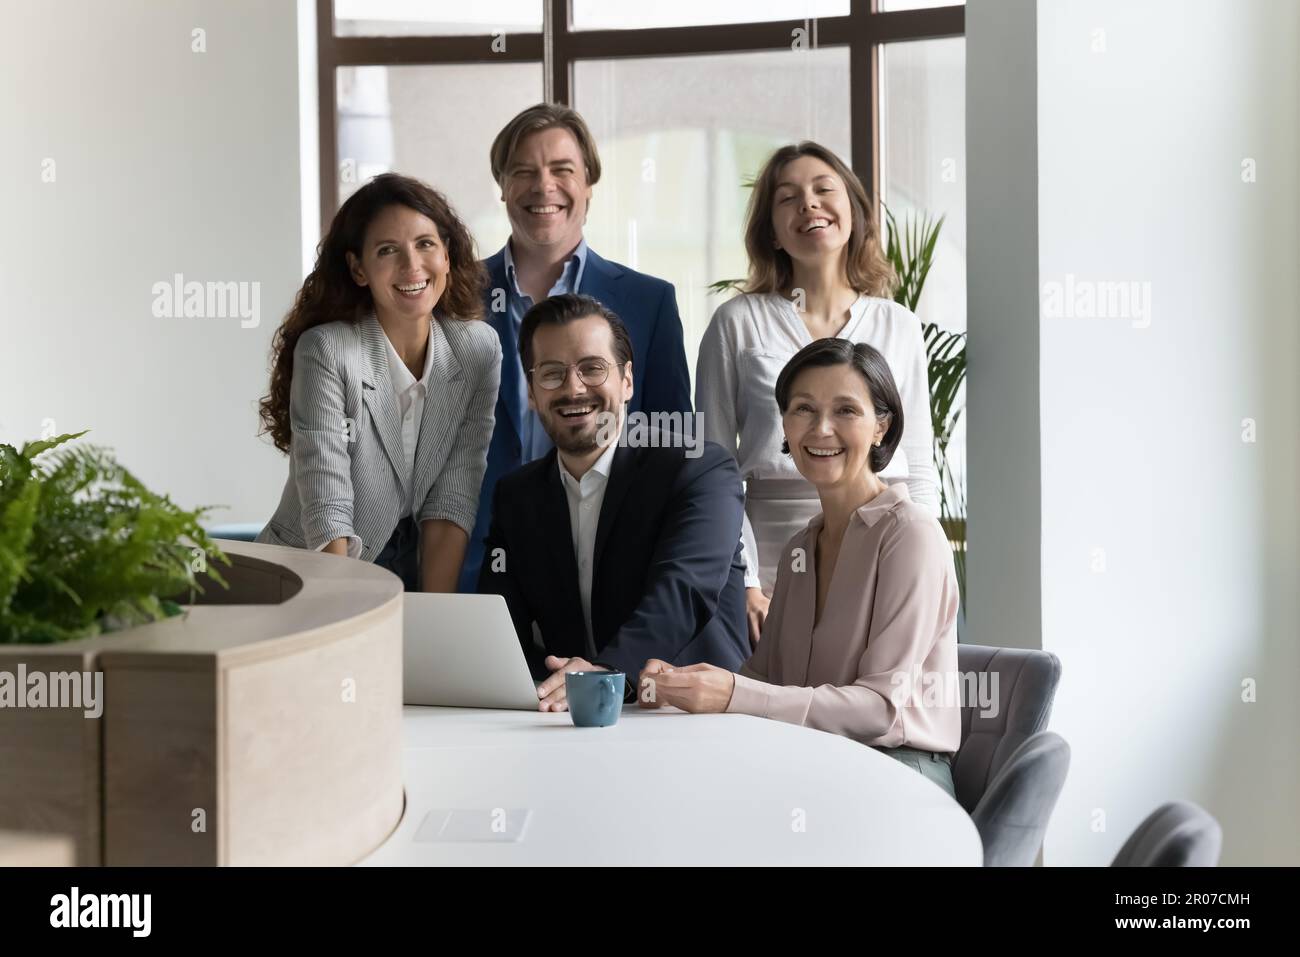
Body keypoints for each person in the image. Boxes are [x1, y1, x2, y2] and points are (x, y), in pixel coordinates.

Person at [640, 339, 960, 797]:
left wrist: (731, 694)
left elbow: (878, 709)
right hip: (811, 758)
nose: (821, 428)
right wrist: (682, 685)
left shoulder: (912, 536)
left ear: (881, 428)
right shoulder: (800, 548)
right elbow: (764, 680)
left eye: (846, 410)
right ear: (785, 428)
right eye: (803, 409)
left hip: (900, 773)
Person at [695, 141, 938, 646]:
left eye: (823, 190)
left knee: (865, 705)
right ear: (772, 231)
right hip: (769, 552)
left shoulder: (900, 325)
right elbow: (714, 467)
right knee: (774, 704)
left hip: (884, 541)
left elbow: (918, 464)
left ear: (853, 211)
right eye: (787, 198)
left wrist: (927, 564)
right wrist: (745, 581)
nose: (808, 205)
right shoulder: (736, 323)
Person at [459, 102, 693, 592]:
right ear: (502, 187)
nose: (543, 186)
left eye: (562, 170)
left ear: (588, 184)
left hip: (611, 563)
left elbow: (671, 443)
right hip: (477, 559)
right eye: (523, 171)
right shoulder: (456, 298)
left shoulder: (649, 302)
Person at [479, 293, 748, 712]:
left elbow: (682, 591)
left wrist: (606, 670)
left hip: (691, 719)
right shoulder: (517, 496)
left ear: (627, 381)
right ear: (531, 391)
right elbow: (501, 624)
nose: (573, 388)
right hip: (576, 726)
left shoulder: (699, 469)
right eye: (551, 374)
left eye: (592, 368)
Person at [257, 173, 501, 592]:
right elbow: (328, 508)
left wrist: (432, 617)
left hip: (409, 567)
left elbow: (453, 497)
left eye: (425, 244)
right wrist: (345, 623)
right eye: (388, 250)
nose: (412, 266)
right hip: (309, 572)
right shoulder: (327, 350)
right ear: (358, 269)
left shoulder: (477, 349)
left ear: (446, 254)